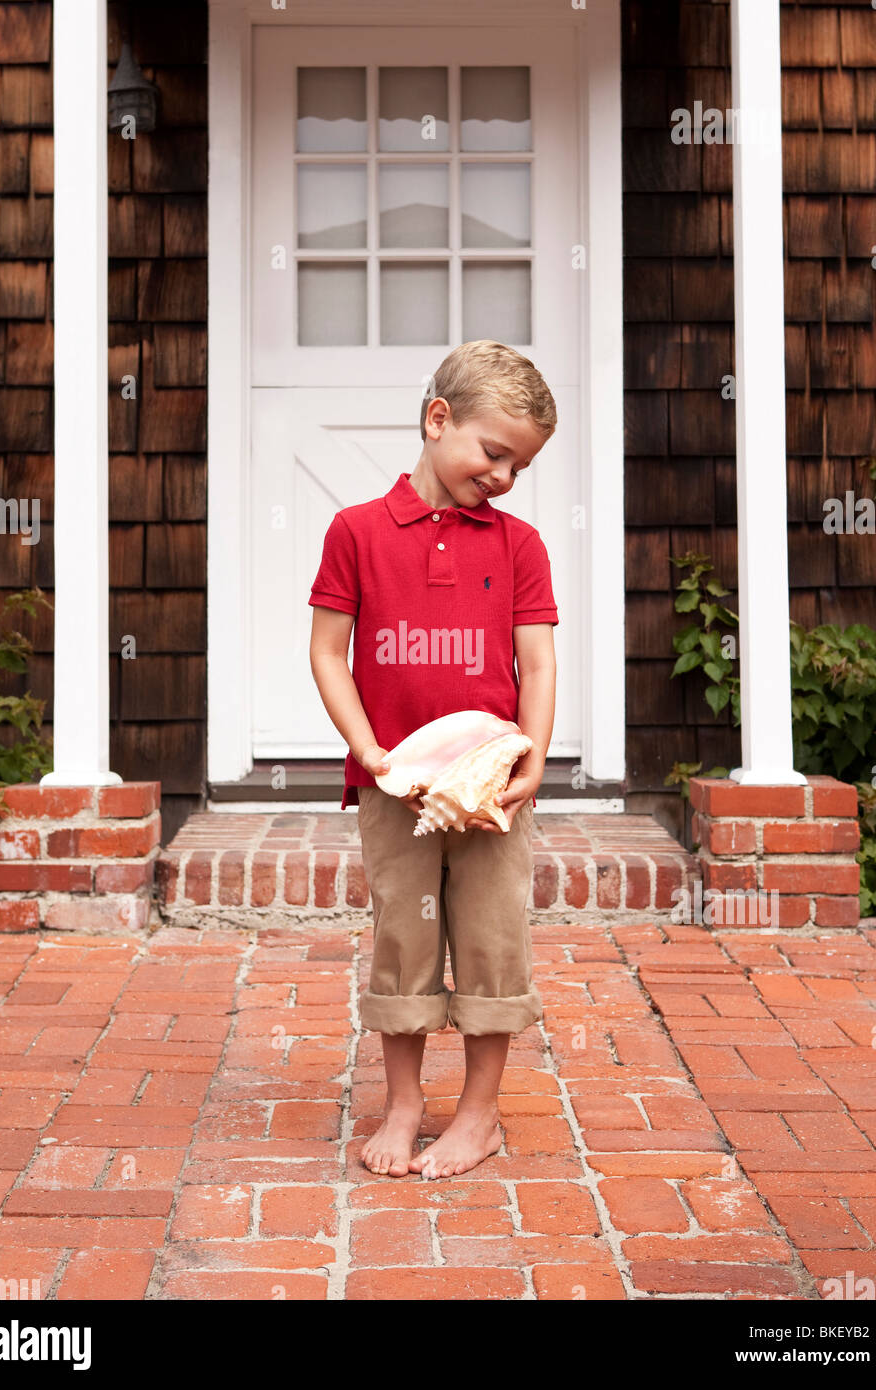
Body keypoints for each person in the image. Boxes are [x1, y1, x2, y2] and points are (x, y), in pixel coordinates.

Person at [308, 339, 558, 1179]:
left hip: (491, 787)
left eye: (519, 465)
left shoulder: (519, 545)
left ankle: (479, 1114)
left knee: (491, 940)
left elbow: (539, 663)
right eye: (494, 454)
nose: (504, 478)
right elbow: (328, 653)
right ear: (437, 418)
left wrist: (535, 757)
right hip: (395, 787)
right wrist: (371, 751)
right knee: (403, 942)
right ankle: (404, 1102)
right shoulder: (355, 532)